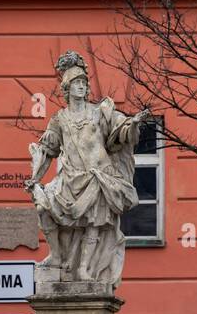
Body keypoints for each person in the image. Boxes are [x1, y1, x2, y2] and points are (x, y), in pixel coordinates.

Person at [25, 51, 150, 289]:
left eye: (84, 83)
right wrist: (35, 177)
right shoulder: (59, 119)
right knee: (43, 208)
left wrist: (132, 124)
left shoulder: (100, 112)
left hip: (98, 176)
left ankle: (84, 268)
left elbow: (120, 130)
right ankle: (57, 256)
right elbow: (46, 149)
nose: (82, 87)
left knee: (94, 223)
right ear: (67, 89)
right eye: (77, 84)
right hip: (70, 179)